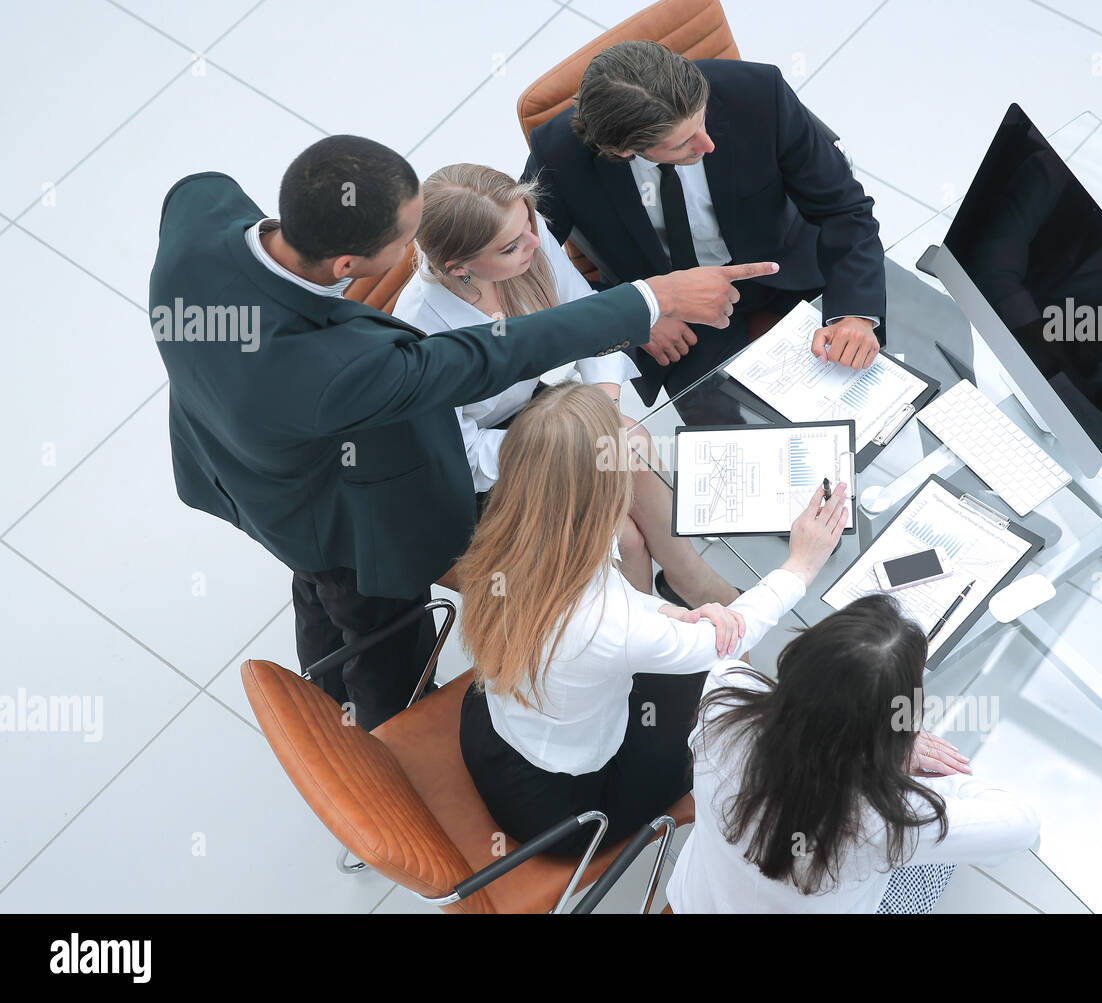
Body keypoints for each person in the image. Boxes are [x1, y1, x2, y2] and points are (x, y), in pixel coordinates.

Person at [149, 134, 776, 730]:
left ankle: (323, 691)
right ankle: (383, 755)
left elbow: (197, 190)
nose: (412, 251)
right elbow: (490, 357)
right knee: (376, 636)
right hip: (325, 514)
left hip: (226, 443)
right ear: (347, 264)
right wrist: (650, 300)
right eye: (403, 239)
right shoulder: (347, 368)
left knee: (314, 600)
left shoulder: (200, 211)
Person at [456, 382, 850, 855]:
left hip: (493, 732)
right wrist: (801, 566)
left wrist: (659, 611)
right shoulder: (604, 617)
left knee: (670, 634)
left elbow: (611, 610)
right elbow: (722, 641)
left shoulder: (506, 533)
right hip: (567, 809)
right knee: (717, 678)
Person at [392, 164, 738, 608]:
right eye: (513, 245)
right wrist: (571, 443)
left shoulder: (526, 239)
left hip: (529, 413)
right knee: (627, 541)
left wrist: (604, 406)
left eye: (529, 222)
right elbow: (461, 459)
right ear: (460, 268)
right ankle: (679, 600)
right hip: (478, 467)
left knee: (626, 440)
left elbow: (592, 322)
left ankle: (684, 579)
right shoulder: (421, 331)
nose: (536, 244)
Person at [523, 40, 888, 415]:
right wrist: (635, 313)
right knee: (733, 452)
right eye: (684, 143)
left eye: (703, 120)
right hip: (677, 320)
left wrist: (855, 315)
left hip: (790, 272)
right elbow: (529, 269)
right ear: (621, 150)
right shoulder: (559, 155)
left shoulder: (759, 92)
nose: (708, 144)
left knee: (875, 400)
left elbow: (844, 207)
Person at [666, 593, 1040, 913]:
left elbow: (720, 649)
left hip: (694, 902)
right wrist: (904, 761)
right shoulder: (890, 818)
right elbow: (1021, 825)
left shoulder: (723, 699)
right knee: (940, 858)